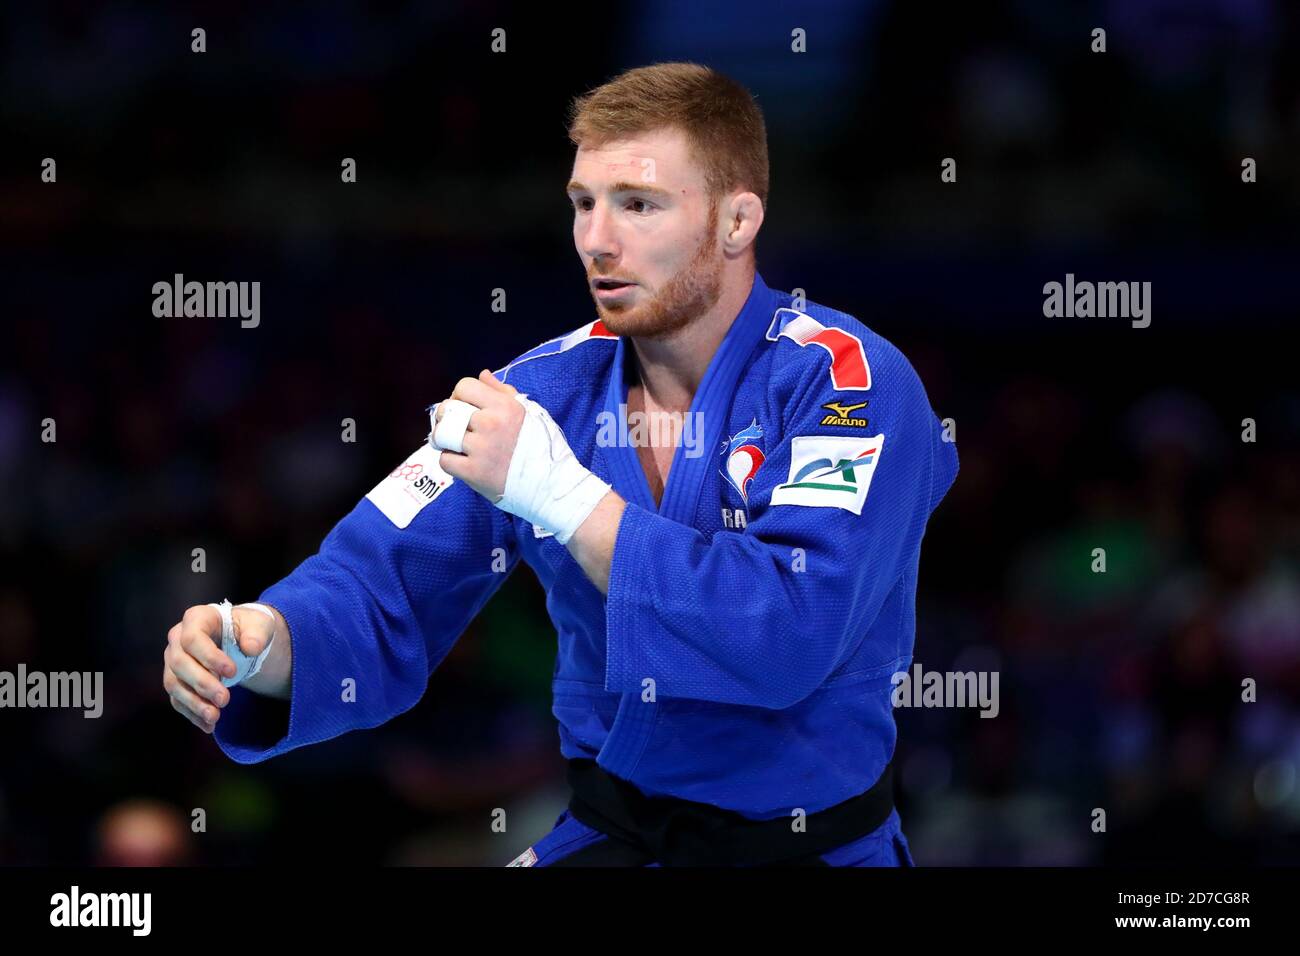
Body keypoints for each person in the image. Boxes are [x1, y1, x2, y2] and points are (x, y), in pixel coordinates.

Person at [162, 62, 958, 866]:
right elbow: (376, 588)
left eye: (638, 204)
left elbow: (787, 634)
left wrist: (566, 499)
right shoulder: (535, 396)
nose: (596, 241)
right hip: (615, 838)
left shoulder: (847, 383)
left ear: (736, 221)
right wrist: (266, 641)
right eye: (584, 204)